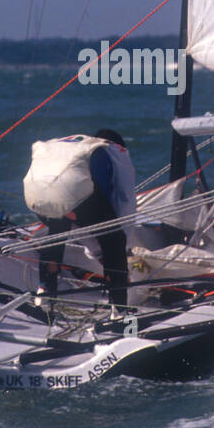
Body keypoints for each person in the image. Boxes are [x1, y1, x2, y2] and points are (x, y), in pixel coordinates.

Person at [23, 129, 136, 317]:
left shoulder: (70, 143)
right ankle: (119, 308)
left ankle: (44, 292)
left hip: (35, 197)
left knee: (57, 230)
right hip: (72, 198)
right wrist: (116, 243)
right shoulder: (113, 151)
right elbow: (123, 200)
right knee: (113, 239)